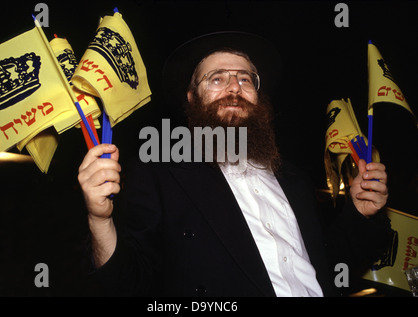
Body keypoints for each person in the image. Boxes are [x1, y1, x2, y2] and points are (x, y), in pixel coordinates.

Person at [78, 32, 391, 297]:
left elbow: (328, 267)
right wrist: (100, 220)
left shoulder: (294, 179)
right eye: (216, 79)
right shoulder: (162, 175)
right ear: (191, 97)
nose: (233, 88)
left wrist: (360, 213)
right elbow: (128, 283)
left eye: (245, 79)